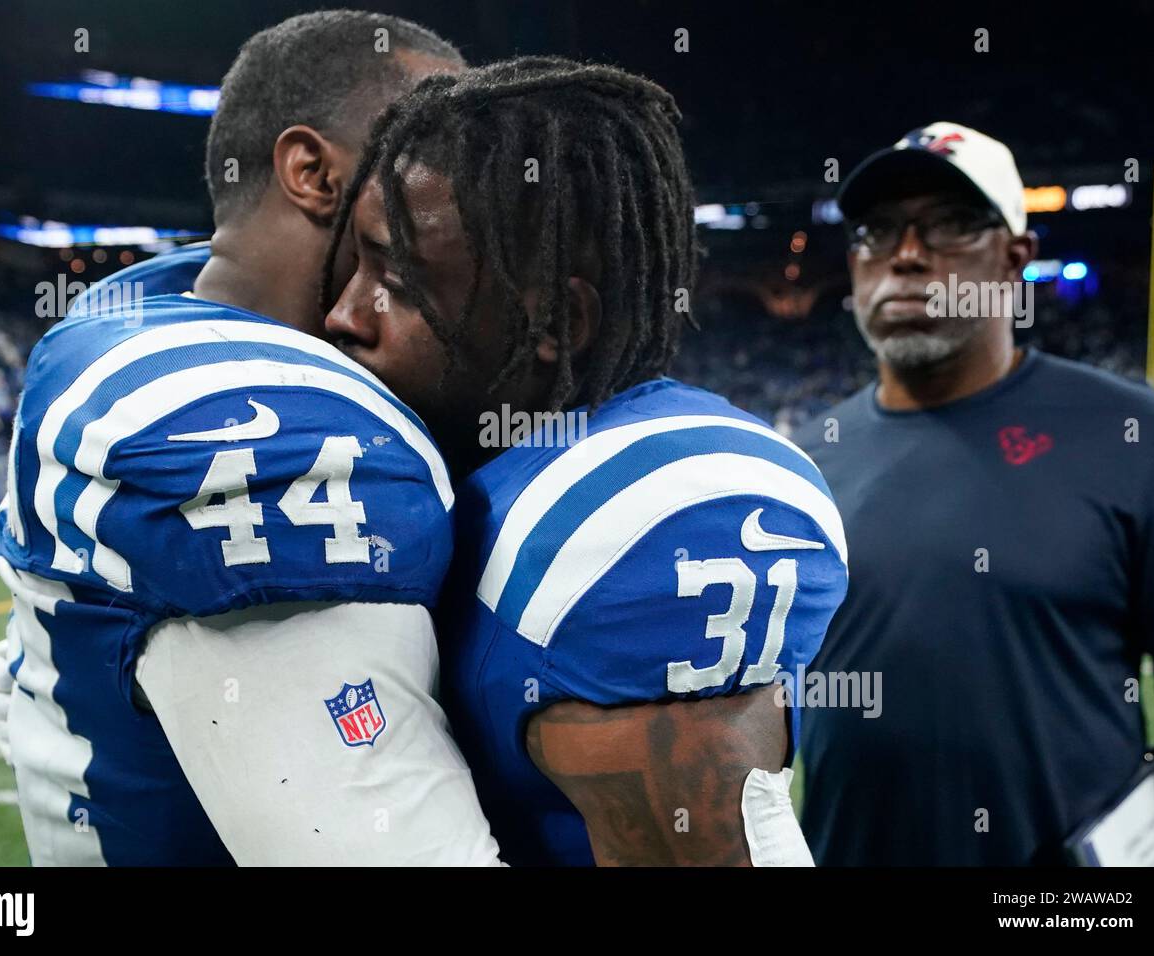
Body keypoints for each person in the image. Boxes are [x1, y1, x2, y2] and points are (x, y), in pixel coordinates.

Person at [0, 10, 504, 866]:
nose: (469, 195)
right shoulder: (253, 430)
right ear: (313, 173)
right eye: (431, 151)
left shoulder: (142, 319)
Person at [322, 57, 848, 865]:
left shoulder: (638, 523)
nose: (344, 315)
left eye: (397, 280)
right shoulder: (482, 472)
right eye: (354, 265)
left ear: (555, 322)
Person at [793, 122, 1154, 865]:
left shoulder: (1133, 434)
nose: (906, 255)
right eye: (878, 231)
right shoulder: (804, 463)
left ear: (1015, 260)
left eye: (949, 225)